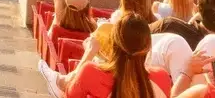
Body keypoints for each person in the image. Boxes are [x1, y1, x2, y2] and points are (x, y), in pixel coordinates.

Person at [40, 11, 172, 98]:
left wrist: (89, 54)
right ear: (148, 47)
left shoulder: (92, 72)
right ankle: (58, 80)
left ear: (113, 42)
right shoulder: (162, 78)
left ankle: (58, 81)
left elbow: (69, 95)